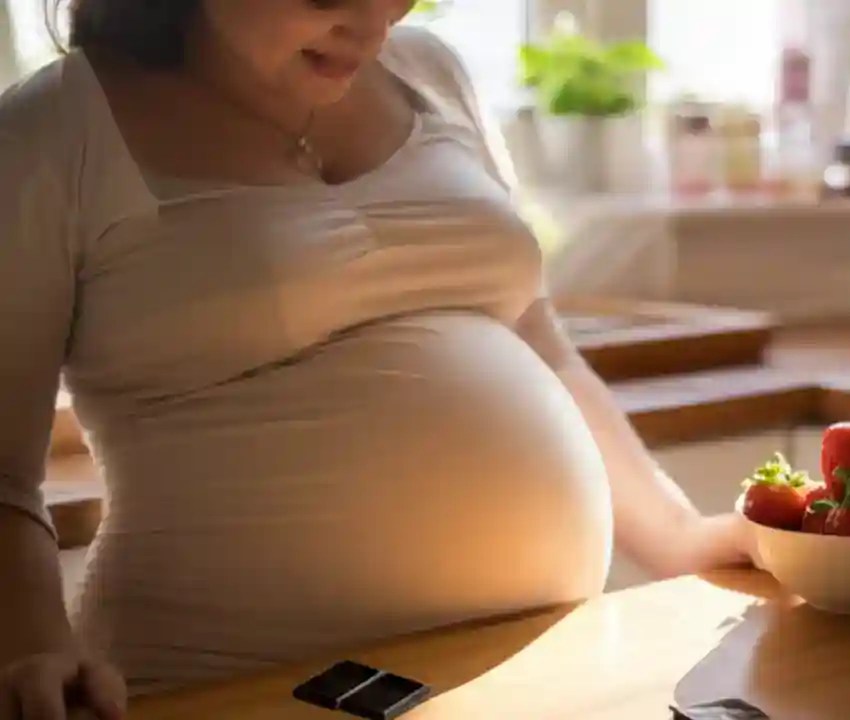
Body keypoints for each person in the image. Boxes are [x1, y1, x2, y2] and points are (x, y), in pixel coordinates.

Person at [0, 1, 757, 716]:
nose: (371, 22)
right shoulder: (53, 129)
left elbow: (539, 339)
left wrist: (681, 538)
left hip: (529, 668)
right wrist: (37, 649)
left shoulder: (431, 73)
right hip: (224, 685)